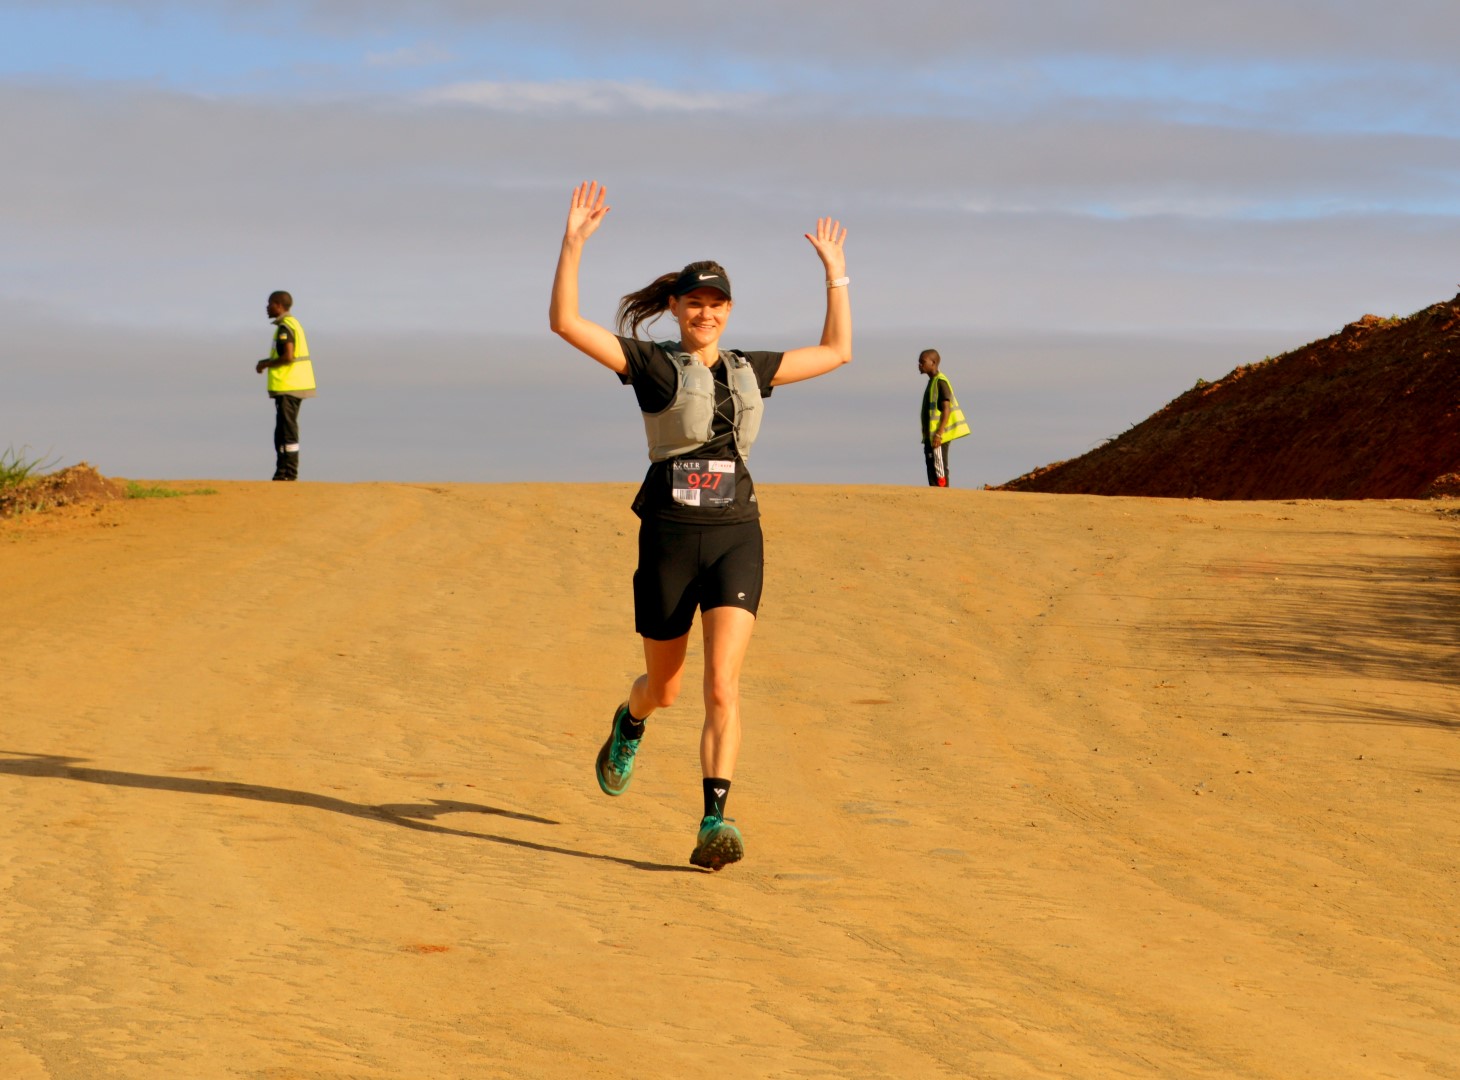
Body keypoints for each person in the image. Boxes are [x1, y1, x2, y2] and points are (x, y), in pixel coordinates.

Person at [549, 181, 851, 871]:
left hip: (737, 536)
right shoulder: (654, 367)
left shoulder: (753, 369)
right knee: (668, 688)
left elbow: (837, 351)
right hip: (668, 537)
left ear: (728, 311)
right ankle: (631, 722)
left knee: (723, 686)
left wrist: (835, 274)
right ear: (678, 310)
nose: (705, 314)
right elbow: (567, 323)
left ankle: (716, 818)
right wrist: (572, 246)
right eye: (694, 304)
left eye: (716, 305)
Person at [254, 291, 316, 481]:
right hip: (293, 385)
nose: (267, 307)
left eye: (270, 303)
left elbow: (288, 357)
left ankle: (288, 472)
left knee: (286, 429)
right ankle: (283, 471)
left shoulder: (285, 327)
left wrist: (265, 363)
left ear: (279, 305)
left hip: (290, 385)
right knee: (282, 429)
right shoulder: (291, 324)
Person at [917, 348, 969, 487]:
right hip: (930, 437)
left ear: (933, 363)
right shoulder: (932, 382)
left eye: (923, 362)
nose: (920, 365)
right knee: (931, 467)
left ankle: (943, 497)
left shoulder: (941, 382)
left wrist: (939, 434)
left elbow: (947, 409)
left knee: (939, 468)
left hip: (938, 437)